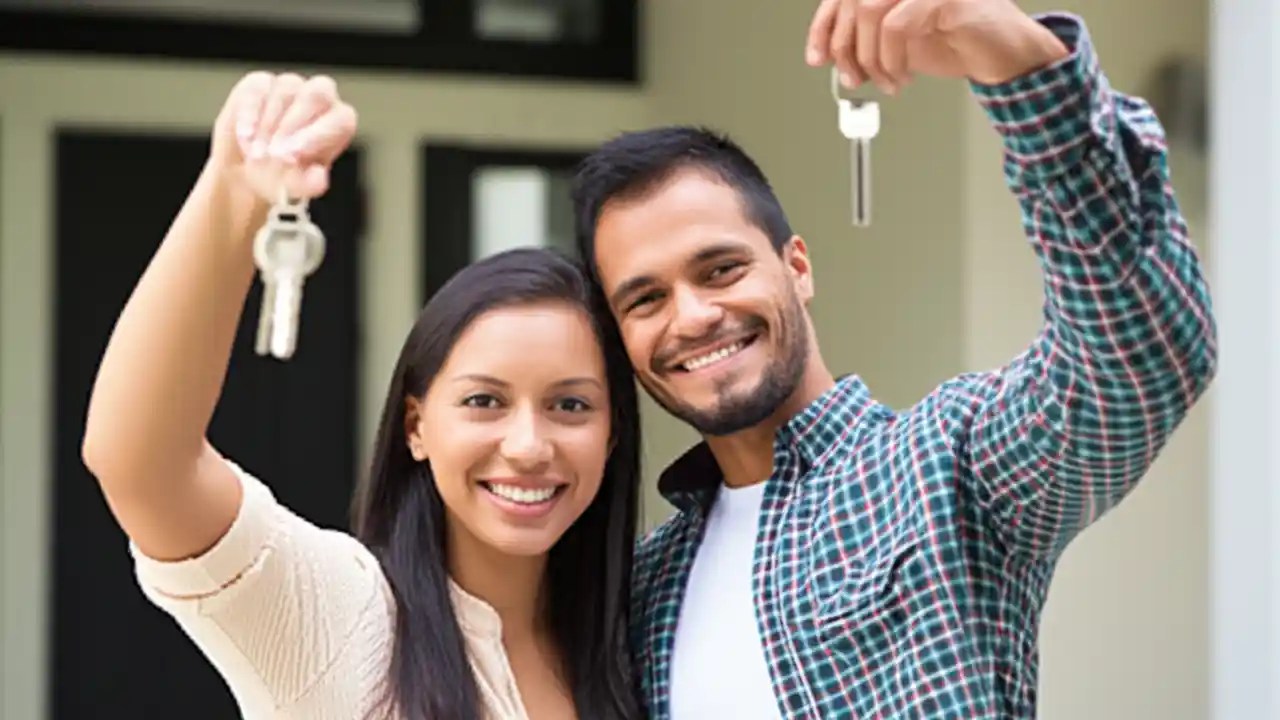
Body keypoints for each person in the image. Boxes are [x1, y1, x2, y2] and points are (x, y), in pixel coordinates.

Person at [571, 2, 1218, 718]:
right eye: (646, 300)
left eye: (721, 269)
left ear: (798, 267)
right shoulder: (643, 589)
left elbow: (1144, 360)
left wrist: (1016, 63)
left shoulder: (949, 464)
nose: (692, 316)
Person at [81, 72, 644, 720]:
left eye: (570, 405)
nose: (527, 445)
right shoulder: (343, 620)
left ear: (613, 434)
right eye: (484, 402)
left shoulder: (639, 643)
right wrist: (233, 191)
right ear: (416, 426)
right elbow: (141, 464)